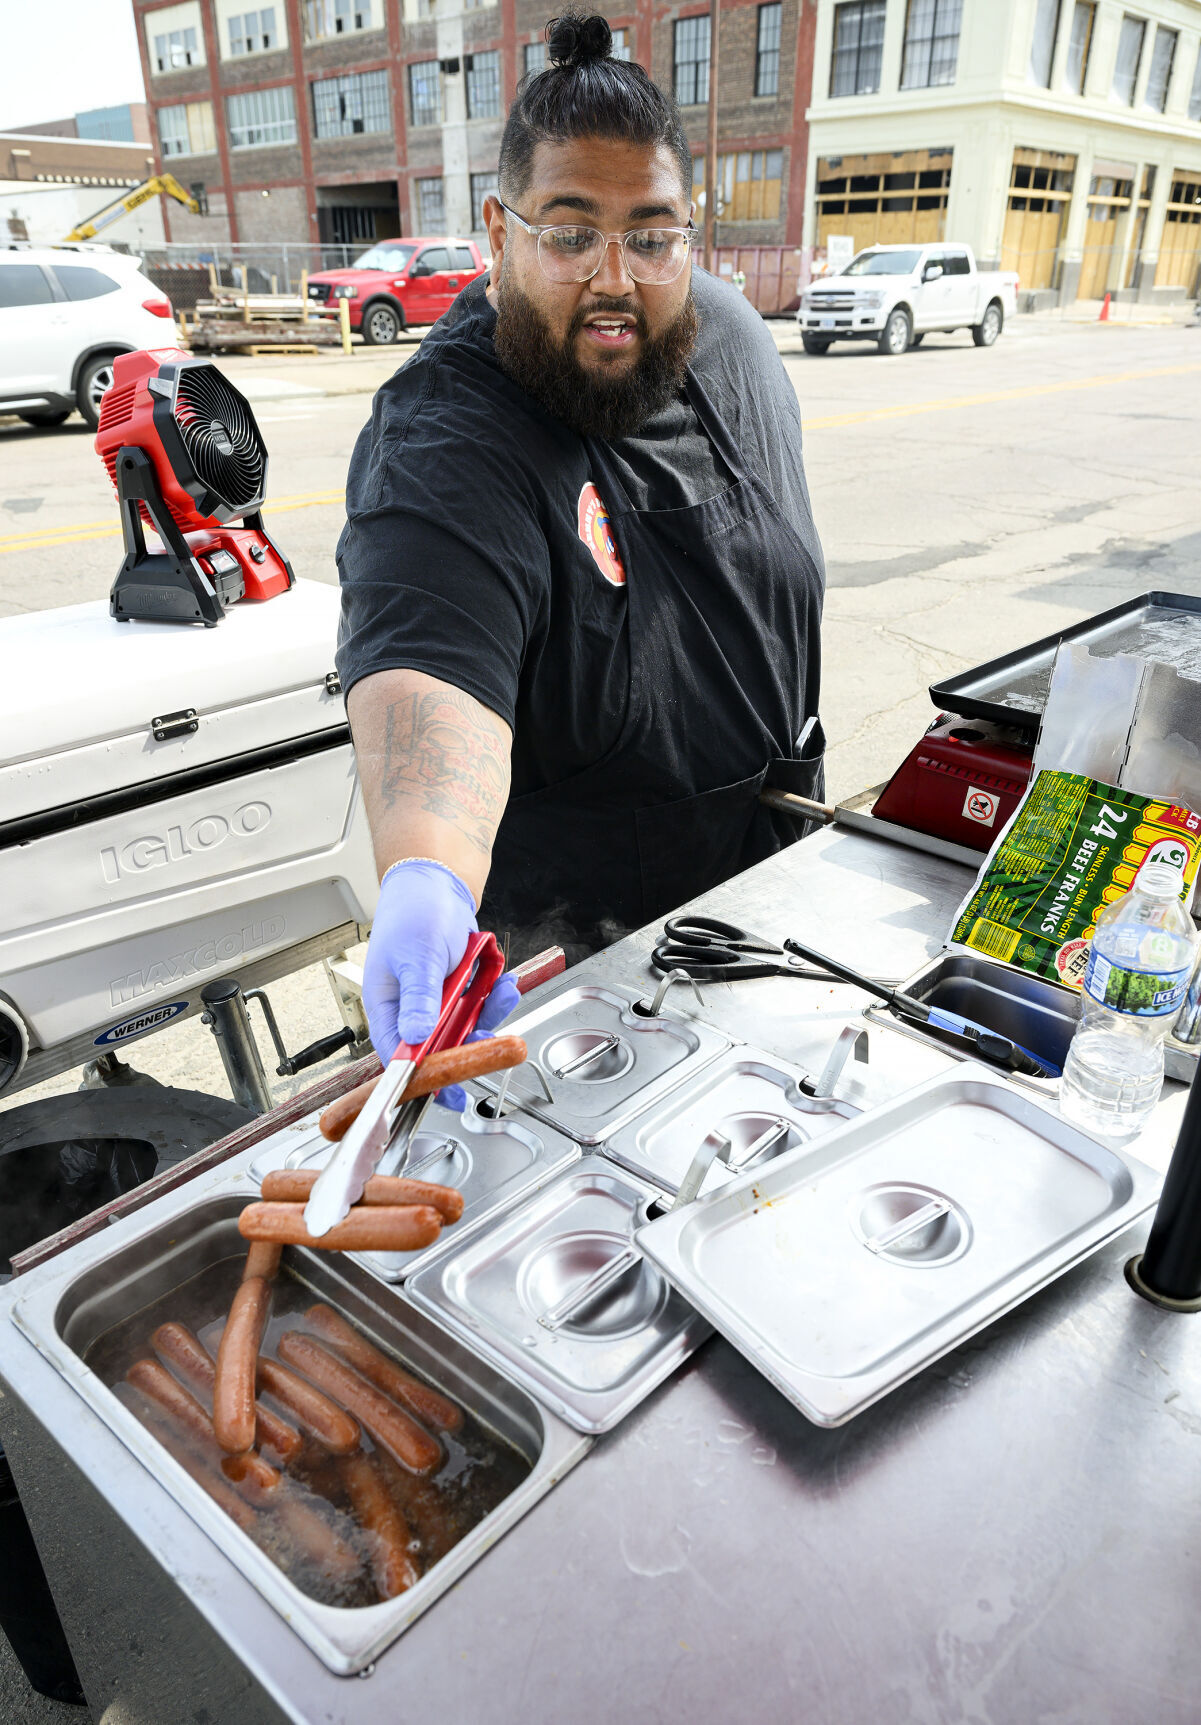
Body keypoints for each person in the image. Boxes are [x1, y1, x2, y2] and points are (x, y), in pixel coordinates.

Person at [336, 10, 826, 1075]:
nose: (616, 279)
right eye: (569, 232)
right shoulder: (443, 435)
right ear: (498, 232)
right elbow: (431, 673)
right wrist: (424, 875)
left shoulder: (727, 335)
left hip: (774, 902)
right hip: (576, 977)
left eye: (651, 235)